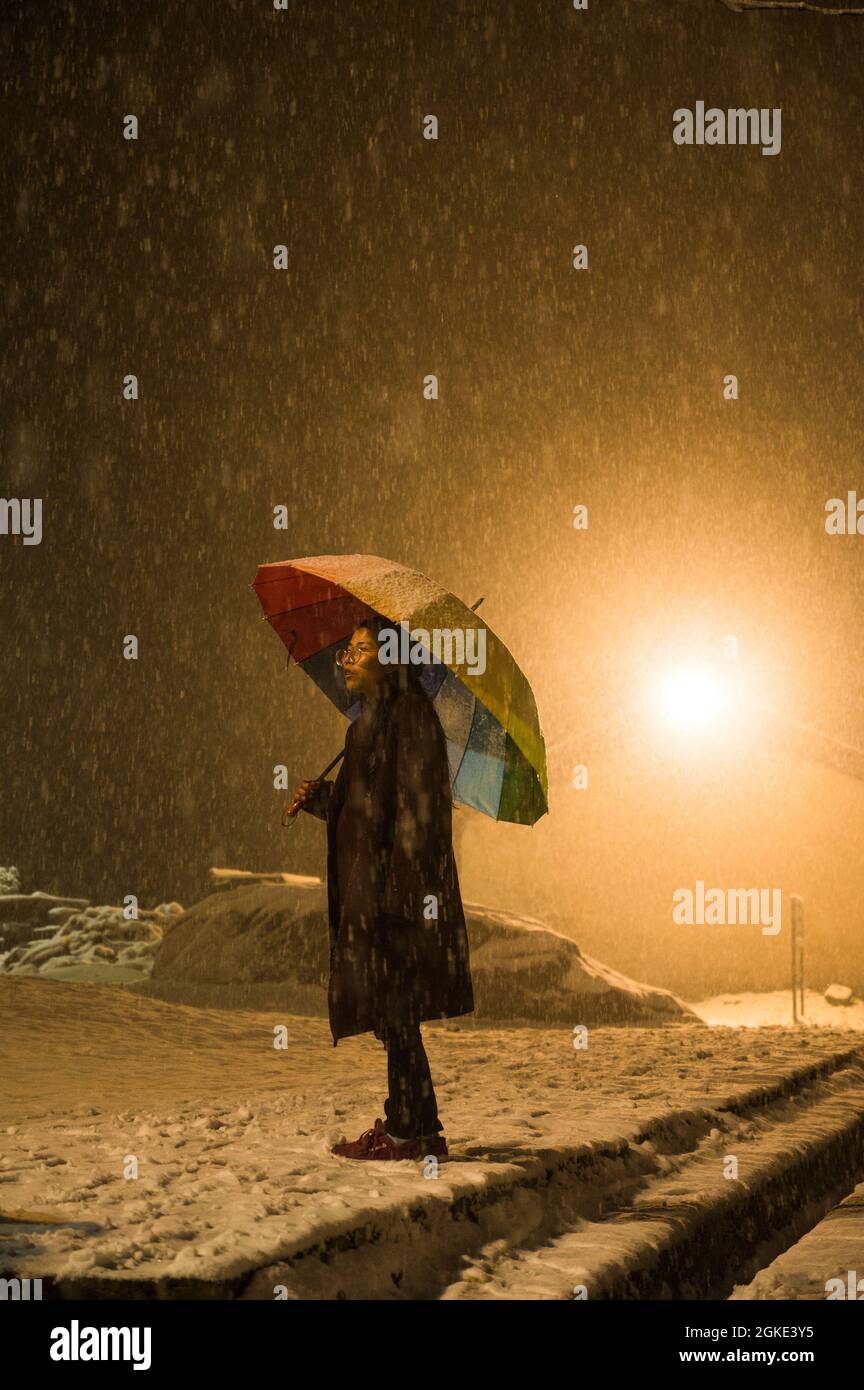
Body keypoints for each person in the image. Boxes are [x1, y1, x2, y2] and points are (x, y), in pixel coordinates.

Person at [288, 615, 474, 1161]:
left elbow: (419, 812)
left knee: (396, 1012)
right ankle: (412, 1125)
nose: (346, 659)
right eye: (346, 649)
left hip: (397, 897)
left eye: (360, 649)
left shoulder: (412, 717)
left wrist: (402, 898)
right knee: (392, 1015)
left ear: (390, 659)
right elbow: (370, 811)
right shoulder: (369, 723)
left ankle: (411, 1130)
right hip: (373, 893)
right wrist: (326, 799)